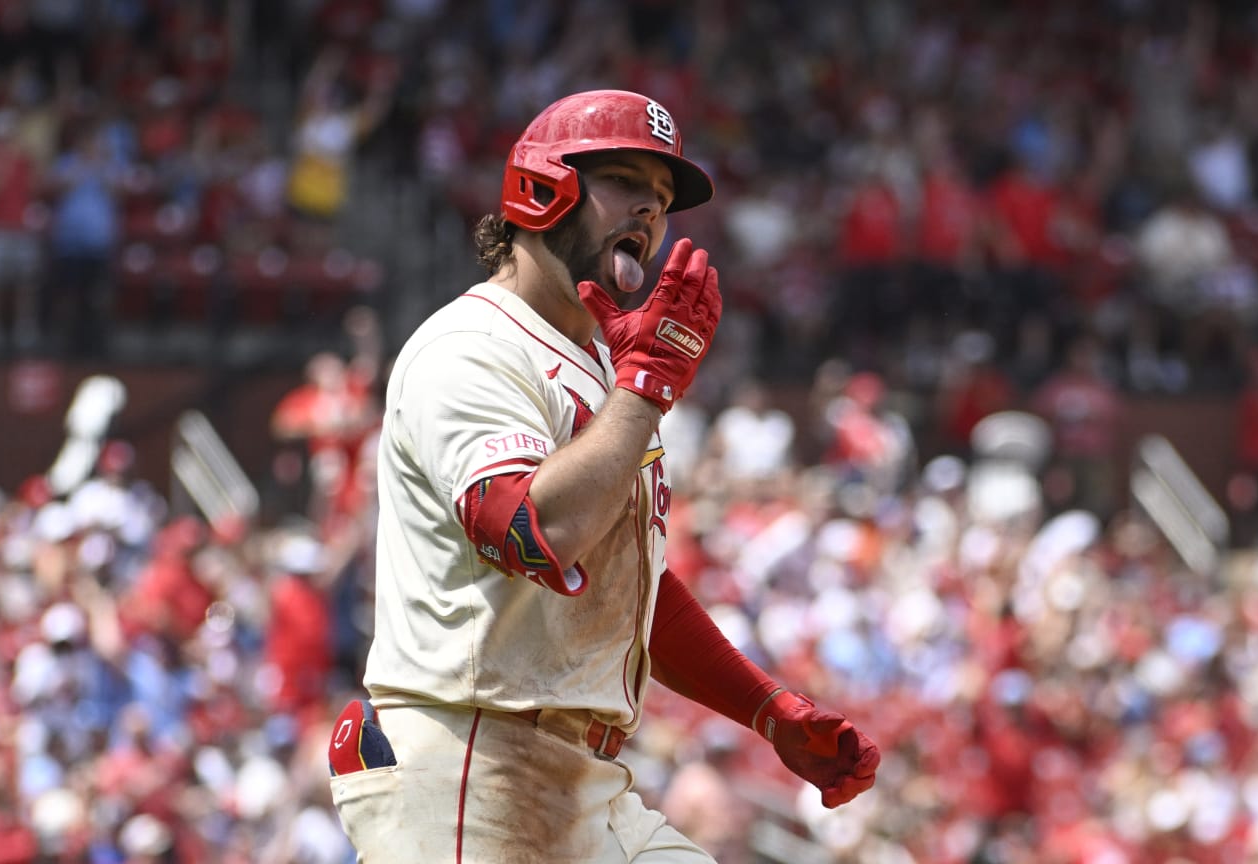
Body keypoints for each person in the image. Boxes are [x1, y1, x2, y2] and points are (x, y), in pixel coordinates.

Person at [327, 89, 879, 863]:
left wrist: (765, 709)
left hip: (581, 779)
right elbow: (535, 534)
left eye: (661, 200)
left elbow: (631, 589)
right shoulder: (471, 344)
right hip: (466, 764)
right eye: (624, 181)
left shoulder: (600, 371)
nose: (650, 213)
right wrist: (647, 388)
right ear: (541, 187)